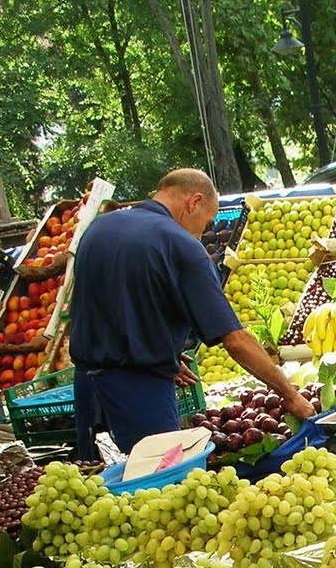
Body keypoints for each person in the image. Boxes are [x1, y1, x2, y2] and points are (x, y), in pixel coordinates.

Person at [68, 167, 315, 459]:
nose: (204, 232)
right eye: (207, 222)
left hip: (88, 393)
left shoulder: (97, 229)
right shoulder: (181, 245)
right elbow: (235, 340)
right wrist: (290, 395)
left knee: (99, 493)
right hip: (141, 398)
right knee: (158, 496)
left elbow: (114, 305)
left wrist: (160, 350)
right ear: (194, 202)